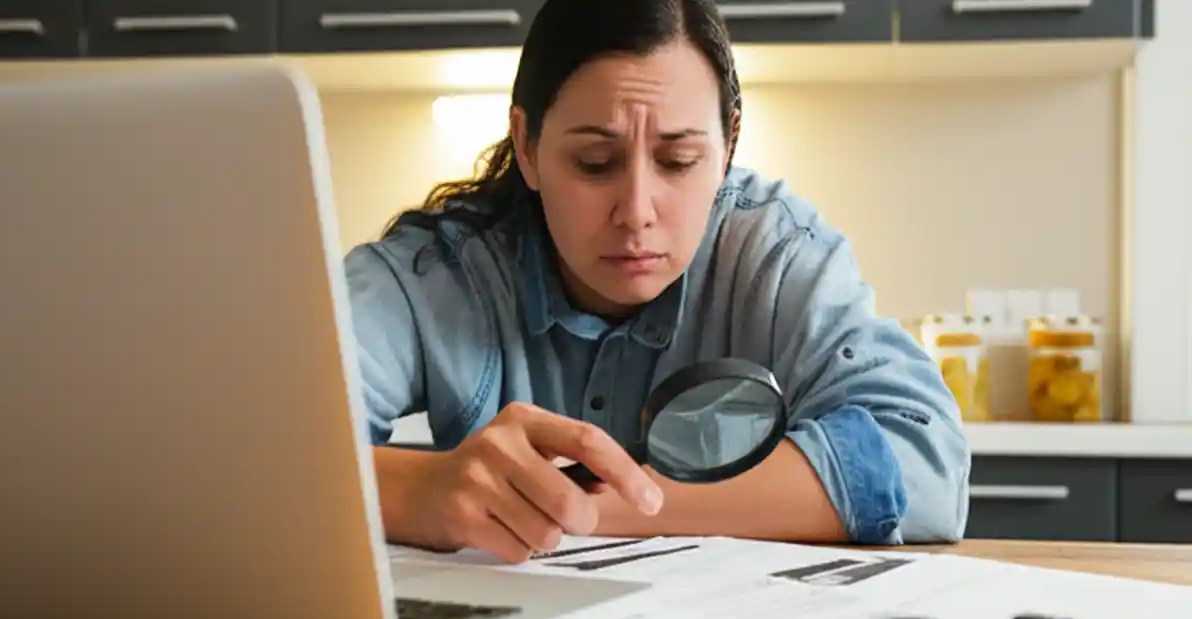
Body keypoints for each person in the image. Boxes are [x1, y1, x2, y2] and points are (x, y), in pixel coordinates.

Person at [344, 0, 970, 563]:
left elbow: (925, 464)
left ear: (726, 148)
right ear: (528, 147)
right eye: (594, 163)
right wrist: (423, 490)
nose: (637, 210)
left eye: (678, 162)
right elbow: (257, 450)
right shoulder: (438, 271)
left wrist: (585, 508)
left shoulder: (773, 251)